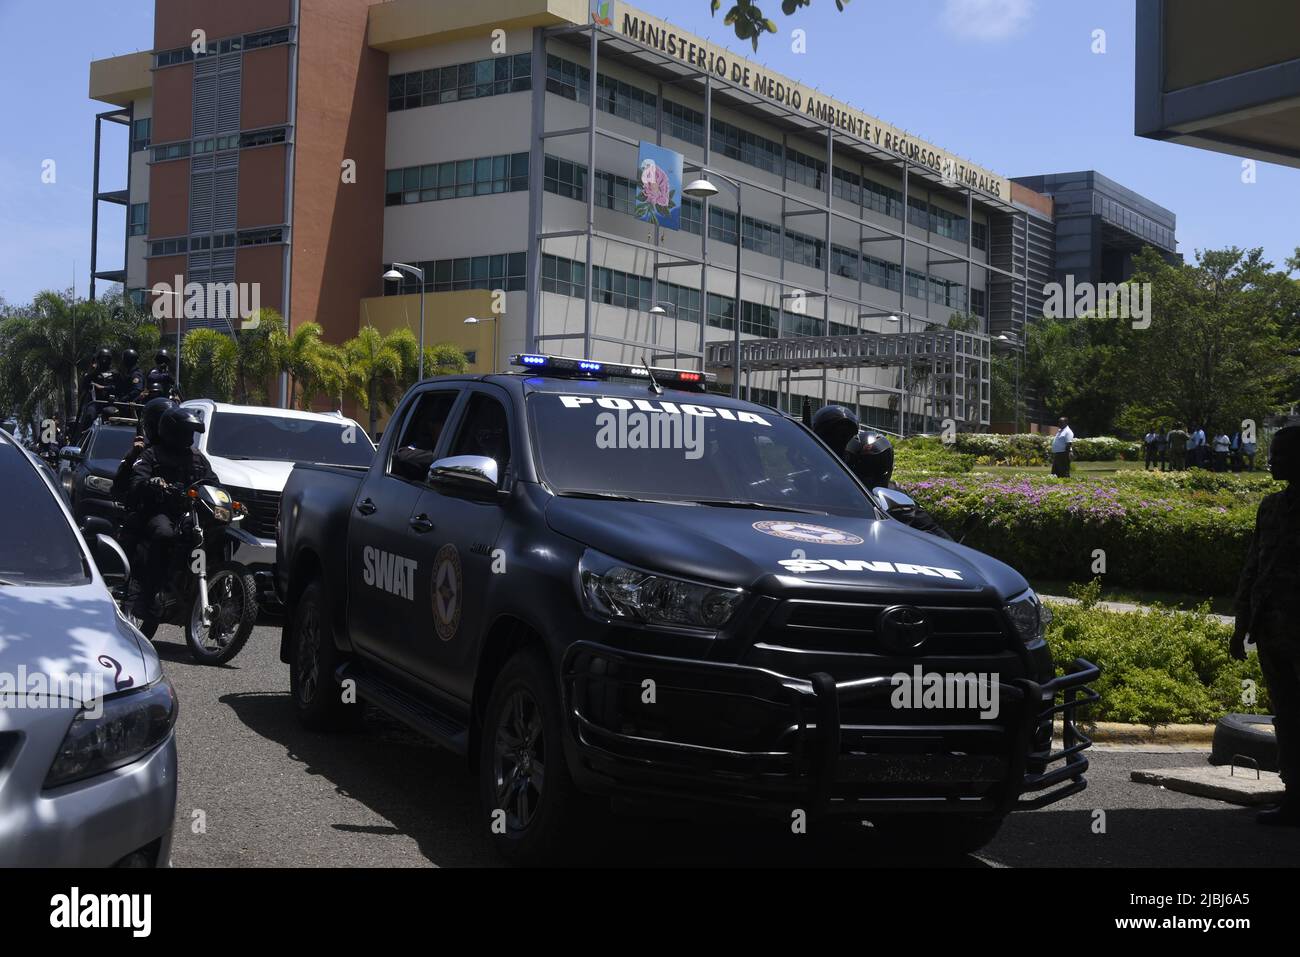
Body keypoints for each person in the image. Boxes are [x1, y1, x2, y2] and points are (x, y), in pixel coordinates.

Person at [1233, 425, 1300, 826]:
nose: (1272, 459)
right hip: (1273, 632)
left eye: (1281, 452)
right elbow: (1253, 567)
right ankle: (1294, 796)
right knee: (1287, 717)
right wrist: (1241, 625)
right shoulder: (1271, 506)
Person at [126, 406, 216, 623]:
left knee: (214, 535)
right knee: (164, 533)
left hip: (188, 515)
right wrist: (152, 482)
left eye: (191, 433)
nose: (188, 437)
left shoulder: (198, 458)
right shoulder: (152, 454)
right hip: (160, 511)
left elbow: (213, 483)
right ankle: (146, 594)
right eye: (185, 432)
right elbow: (137, 480)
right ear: (171, 431)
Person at [842, 430, 952, 539]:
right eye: (863, 464)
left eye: (875, 464)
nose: (868, 470)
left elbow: (931, 529)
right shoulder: (838, 493)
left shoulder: (896, 495)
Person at [77, 346, 123, 433]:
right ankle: (83, 436)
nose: (104, 361)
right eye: (102, 358)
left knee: (116, 417)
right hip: (95, 403)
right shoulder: (92, 374)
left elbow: (120, 388)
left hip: (111, 403)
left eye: (106, 359)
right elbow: (84, 387)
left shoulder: (116, 374)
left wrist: (104, 387)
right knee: (89, 416)